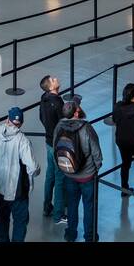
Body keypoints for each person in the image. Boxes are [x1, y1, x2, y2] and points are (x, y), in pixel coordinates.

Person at [0, 108, 38, 242]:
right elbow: (33, 168)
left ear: (7, 119)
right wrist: (37, 171)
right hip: (18, 190)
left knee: (2, 215)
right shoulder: (23, 141)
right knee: (20, 221)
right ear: (21, 123)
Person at [53, 95, 103, 242]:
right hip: (87, 176)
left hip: (69, 175)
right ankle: (90, 236)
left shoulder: (59, 127)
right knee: (89, 207)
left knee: (72, 206)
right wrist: (95, 169)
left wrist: (64, 169)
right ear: (76, 113)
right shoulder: (86, 128)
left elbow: (56, 149)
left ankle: (70, 234)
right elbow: (96, 153)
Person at [38, 75, 66, 223]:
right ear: (51, 87)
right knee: (60, 178)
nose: (56, 78)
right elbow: (64, 123)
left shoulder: (44, 98)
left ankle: (47, 206)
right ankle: (59, 214)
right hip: (58, 144)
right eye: (54, 79)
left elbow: (41, 118)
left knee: (50, 176)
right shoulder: (58, 102)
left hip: (48, 141)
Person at [111, 83, 134, 194]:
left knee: (125, 164)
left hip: (122, 141)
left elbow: (114, 120)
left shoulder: (117, 107)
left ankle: (124, 188)